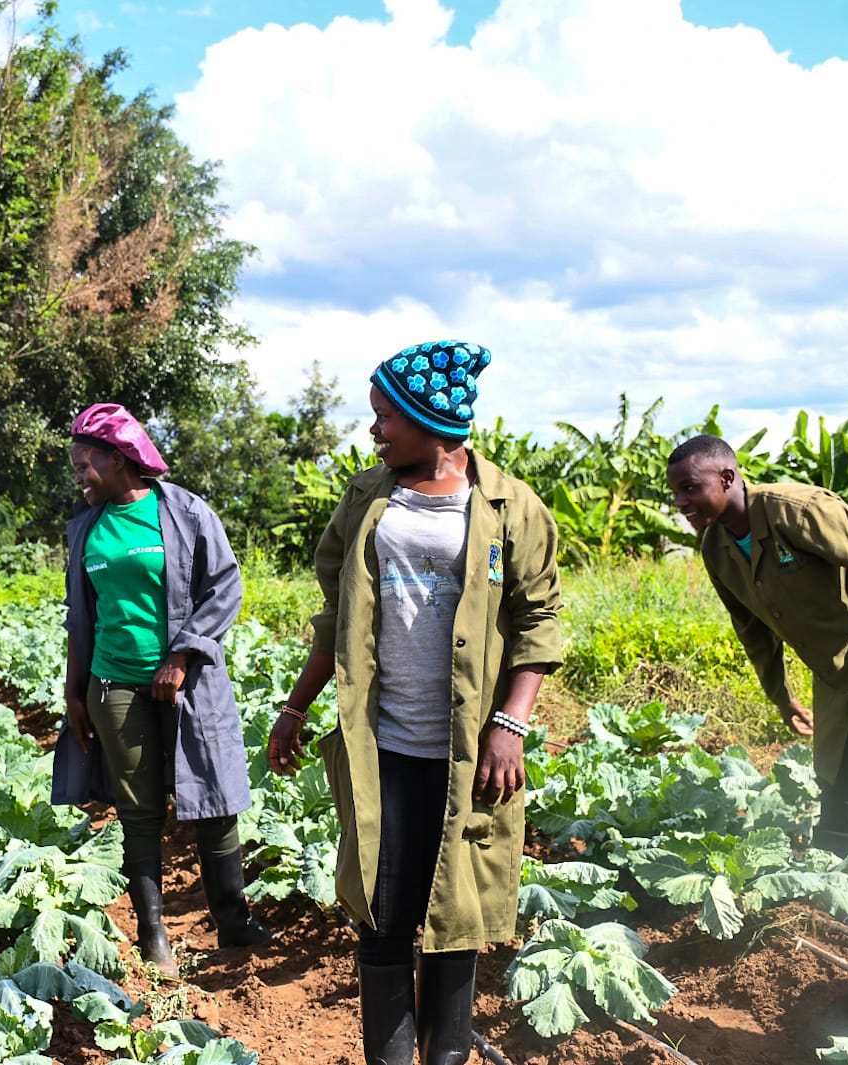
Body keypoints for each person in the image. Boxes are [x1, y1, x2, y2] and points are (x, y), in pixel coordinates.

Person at [267, 342, 562, 1065]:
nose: (374, 431)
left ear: (435, 420)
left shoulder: (508, 506)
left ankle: (446, 1056)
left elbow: (537, 622)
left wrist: (508, 724)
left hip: (469, 753)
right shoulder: (368, 498)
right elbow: (334, 617)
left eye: (384, 416)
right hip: (385, 743)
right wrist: (295, 708)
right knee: (382, 906)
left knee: (455, 912)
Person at [51, 403, 270, 979]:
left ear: (119, 459)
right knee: (138, 809)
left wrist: (180, 655)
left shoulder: (184, 512)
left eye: (84, 465)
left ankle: (233, 919)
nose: (79, 476)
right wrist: (75, 696)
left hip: (189, 682)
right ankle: (154, 934)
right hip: (112, 682)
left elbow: (225, 587)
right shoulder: (85, 527)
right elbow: (81, 618)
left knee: (215, 798)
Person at [666, 434, 848, 855]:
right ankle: (840, 883)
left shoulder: (796, 511)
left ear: (727, 478)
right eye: (676, 492)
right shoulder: (715, 547)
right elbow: (751, 629)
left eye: (691, 487)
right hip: (835, 668)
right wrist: (782, 698)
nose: (681, 502)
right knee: (837, 773)